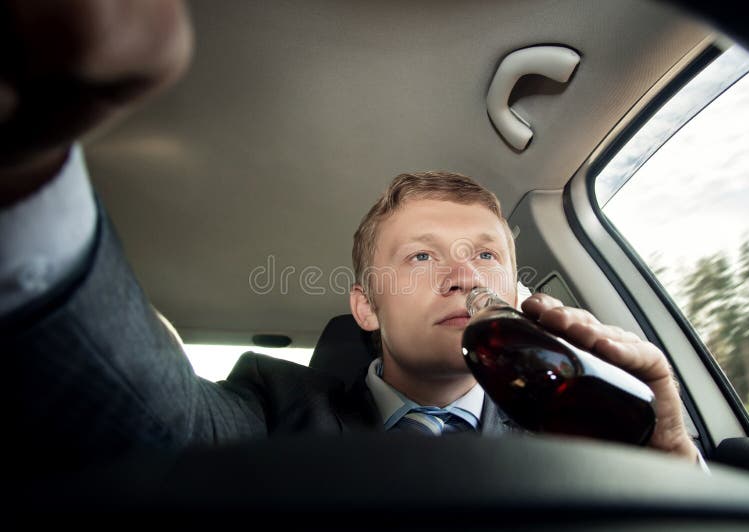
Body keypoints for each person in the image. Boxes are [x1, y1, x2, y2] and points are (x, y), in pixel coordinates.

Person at [2, 1, 702, 471]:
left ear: (516, 290)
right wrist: (26, 171)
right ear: (365, 306)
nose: (467, 276)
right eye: (423, 255)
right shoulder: (275, 414)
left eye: (487, 254)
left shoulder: (578, 431)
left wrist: (672, 463)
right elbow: (157, 421)